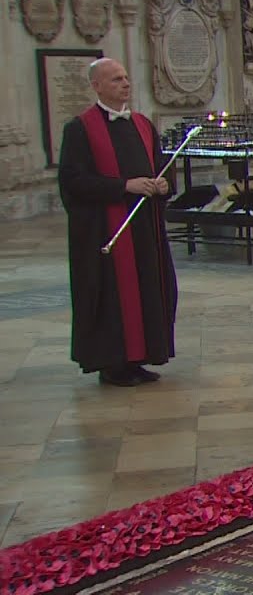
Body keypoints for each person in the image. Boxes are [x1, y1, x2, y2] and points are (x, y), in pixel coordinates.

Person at [57, 58, 178, 387]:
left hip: (144, 231)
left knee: (146, 291)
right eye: (115, 80)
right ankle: (113, 364)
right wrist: (124, 186)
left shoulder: (142, 124)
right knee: (113, 297)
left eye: (125, 78)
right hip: (107, 231)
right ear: (96, 86)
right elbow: (73, 181)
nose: (124, 84)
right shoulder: (80, 129)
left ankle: (140, 358)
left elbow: (162, 167)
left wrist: (164, 186)